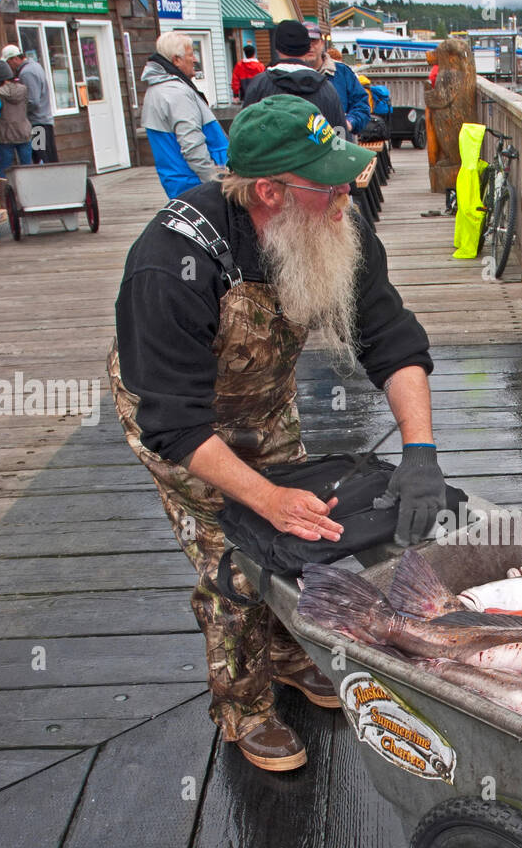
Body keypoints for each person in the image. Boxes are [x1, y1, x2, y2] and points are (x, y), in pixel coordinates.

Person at [109, 95, 452, 772]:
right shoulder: (170, 259)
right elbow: (172, 422)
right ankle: (243, 708)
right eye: (330, 185)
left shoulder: (331, 224)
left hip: (264, 404)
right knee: (234, 559)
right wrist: (263, 497)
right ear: (269, 190)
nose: (346, 197)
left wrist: (420, 452)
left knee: (301, 540)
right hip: (179, 420)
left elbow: (392, 340)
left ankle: (291, 655)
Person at [140, 31, 229, 199]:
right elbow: (192, 146)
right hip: (196, 185)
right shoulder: (175, 93)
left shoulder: (158, 89)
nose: (195, 59)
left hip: (181, 184)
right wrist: (217, 185)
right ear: (176, 60)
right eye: (191, 54)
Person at [242, 20, 344, 128]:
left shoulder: (259, 85)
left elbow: (243, 135)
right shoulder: (327, 89)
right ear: (307, 48)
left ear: (277, 48)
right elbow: (341, 138)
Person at [304, 24, 370, 138]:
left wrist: (349, 122)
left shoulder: (343, 72)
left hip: (339, 144)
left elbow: (362, 105)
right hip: (305, 147)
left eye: (314, 41)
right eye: (305, 42)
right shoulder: (291, 75)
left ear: (322, 43)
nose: (310, 46)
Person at [1, 42, 56, 163]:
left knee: (41, 160)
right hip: (44, 122)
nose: (9, 67)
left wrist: (17, 114)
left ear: (15, 58)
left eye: (8, 63)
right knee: (49, 159)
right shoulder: (35, 66)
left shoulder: (27, 73)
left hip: (37, 125)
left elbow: (32, 101)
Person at [0, 57, 34, 175]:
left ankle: (5, 192)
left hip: (6, 136)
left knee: (5, 170)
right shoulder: (23, 89)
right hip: (24, 132)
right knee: (27, 167)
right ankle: (29, 190)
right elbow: (28, 106)